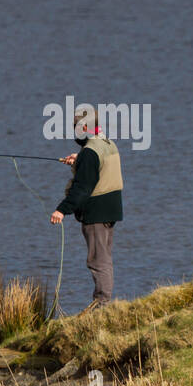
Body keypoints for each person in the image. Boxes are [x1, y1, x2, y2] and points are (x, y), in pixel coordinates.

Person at [50, 105, 123, 312]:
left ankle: (102, 305)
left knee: (98, 260)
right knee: (104, 257)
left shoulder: (90, 152)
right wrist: (79, 160)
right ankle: (103, 302)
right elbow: (99, 168)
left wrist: (61, 210)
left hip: (96, 212)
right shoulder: (107, 143)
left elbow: (82, 188)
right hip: (111, 209)